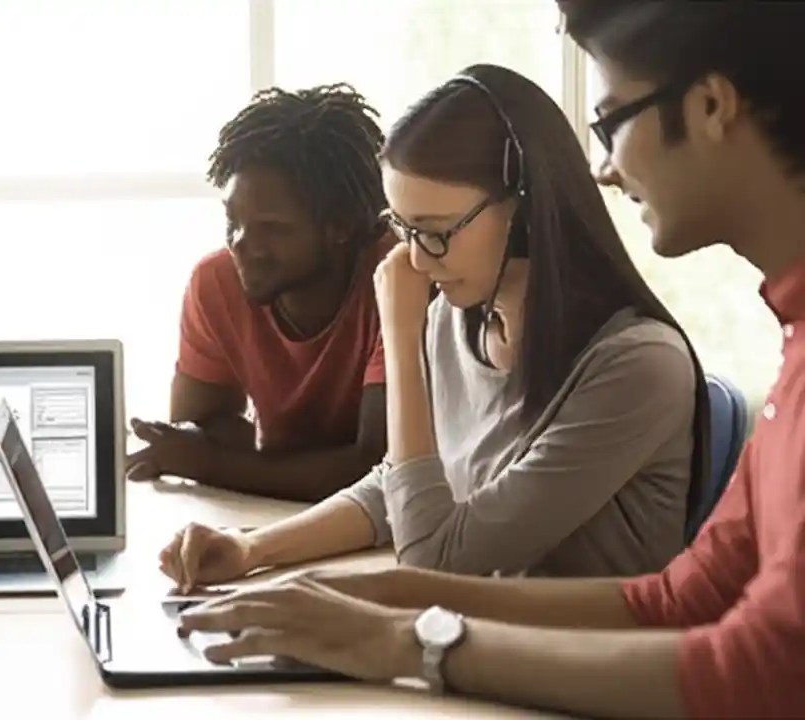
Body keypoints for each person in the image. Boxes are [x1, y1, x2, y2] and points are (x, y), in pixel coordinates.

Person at [174, 3, 805, 718]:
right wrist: (316, 584)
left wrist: (410, 639)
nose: (602, 166)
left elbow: (763, 671)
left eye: (610, 123)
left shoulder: (643, 363)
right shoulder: (794, 350)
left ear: (712, 106)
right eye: (405, 231)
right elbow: (680, 599)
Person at [160, 63, 707, 587]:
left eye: (436, 231)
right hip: (479, 643)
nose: (415, 261)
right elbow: (397, 486)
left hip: (577, 669)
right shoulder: (460, 319)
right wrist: (253, 548)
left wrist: (399, 334)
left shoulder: (637, 366)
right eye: (403, 230)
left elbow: (437, 560)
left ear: (525, 210)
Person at [127, 84, 392, 502]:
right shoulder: (216, 282)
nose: (241, 243)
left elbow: (378, 468)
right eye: (233, 220)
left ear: (340, 226)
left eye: (272, 228)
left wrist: (208, 463)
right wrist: (200, 446)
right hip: (274, 518)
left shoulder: (398, 280)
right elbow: (202, 430)